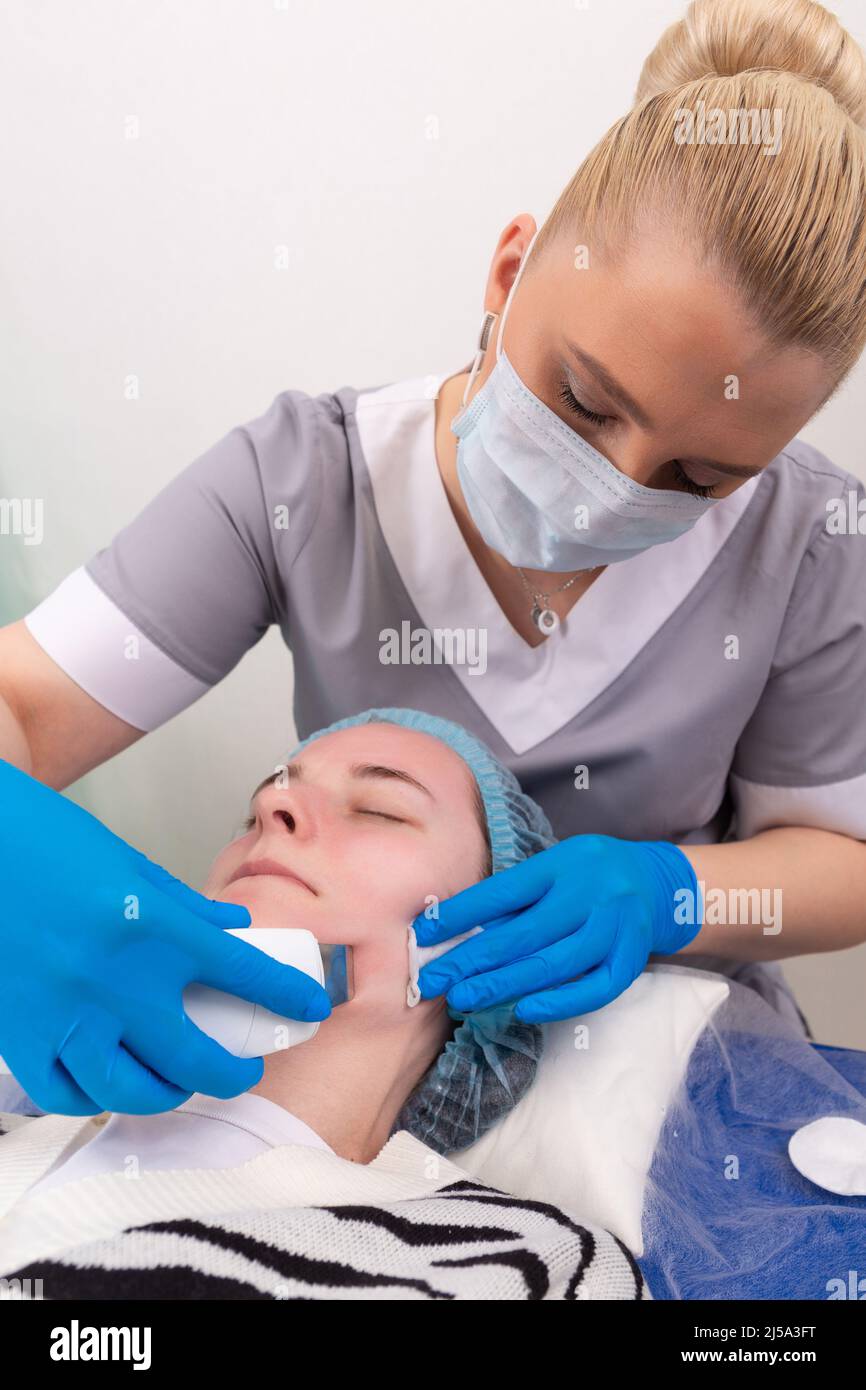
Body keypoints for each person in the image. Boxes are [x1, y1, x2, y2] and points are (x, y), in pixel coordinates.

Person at [1, 0, 865, 1114]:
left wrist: (673, 895)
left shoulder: (807, 543)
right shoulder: (298, 481)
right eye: (585, 399)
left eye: (698, 481)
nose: (617, 486)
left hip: (658, 1092)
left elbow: (842, 856)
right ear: (507, 271)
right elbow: (23, 704)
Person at [0, 710, 650, 1301]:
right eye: (253, 816)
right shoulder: (19, 1077)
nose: (274, 802)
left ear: (498, 943)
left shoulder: (523, 1259)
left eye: (378, 809)